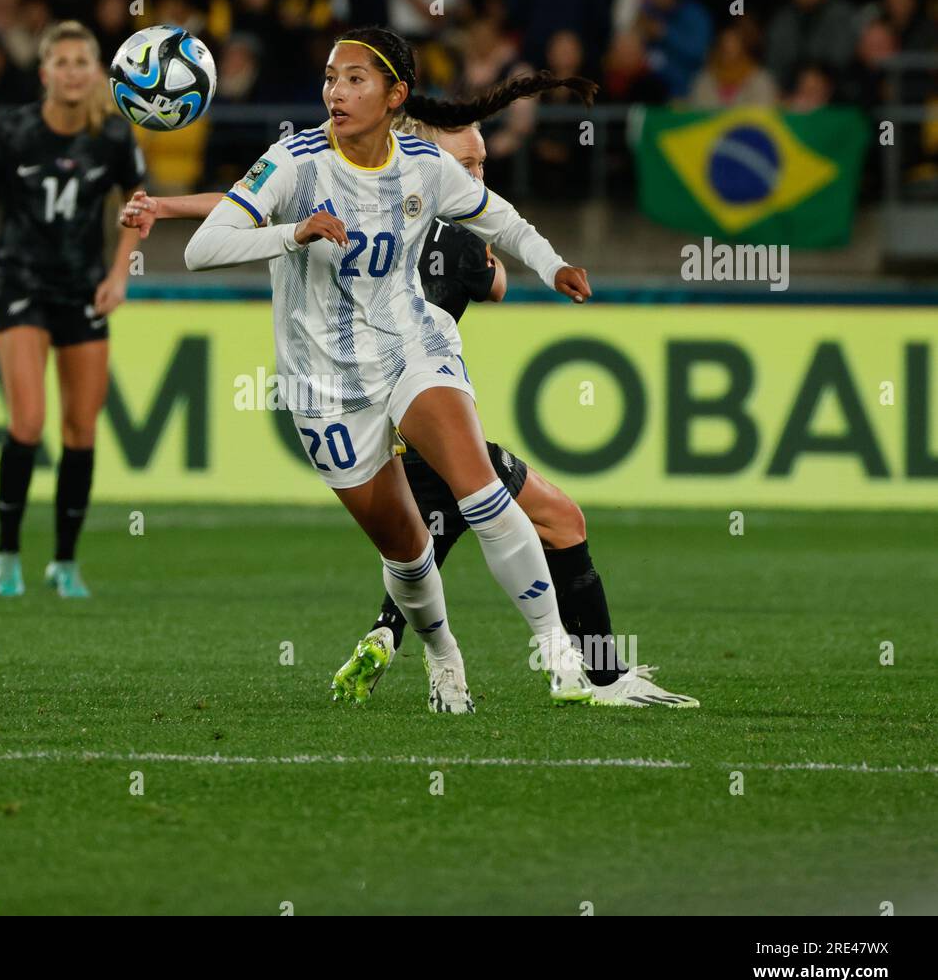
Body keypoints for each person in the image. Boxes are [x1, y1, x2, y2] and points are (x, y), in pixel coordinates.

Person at [121, 119, 697, 710]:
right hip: (407, 409)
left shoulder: (357, 198)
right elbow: (494, 282)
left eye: (480, 166)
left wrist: (168, 205)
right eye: (465, 165)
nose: (475, 177)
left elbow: (255, 206)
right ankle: (592, 673)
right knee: (546, 521)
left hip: (386, 405)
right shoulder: (455, 237)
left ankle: (420, 644)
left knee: (424, 541)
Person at [182, 26, 598, 714]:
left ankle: (560, 659)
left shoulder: (425, 169)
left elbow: (506, 224)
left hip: (411, 347)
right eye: (329, 78)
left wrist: (553, 266)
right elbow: (204, 247)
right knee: (407, 552)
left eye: (354, 80)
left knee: (480, 490)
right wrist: (295, 230)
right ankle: (442, 655)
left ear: (394, 94)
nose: (335, 92)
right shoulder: (293, 161)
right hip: (323, 386)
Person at [0, 20, 144, 599]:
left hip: (82, 286)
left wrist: (118, 274)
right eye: (61, 62)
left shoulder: (113, 137)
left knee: (81, 427)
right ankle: (6, 553)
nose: (73, 71)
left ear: (96, 71)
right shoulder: (12, 131)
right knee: (28, 421)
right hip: (19, 281)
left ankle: (64, 560)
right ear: (44, 73)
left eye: (82, 61)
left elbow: (137, 203)